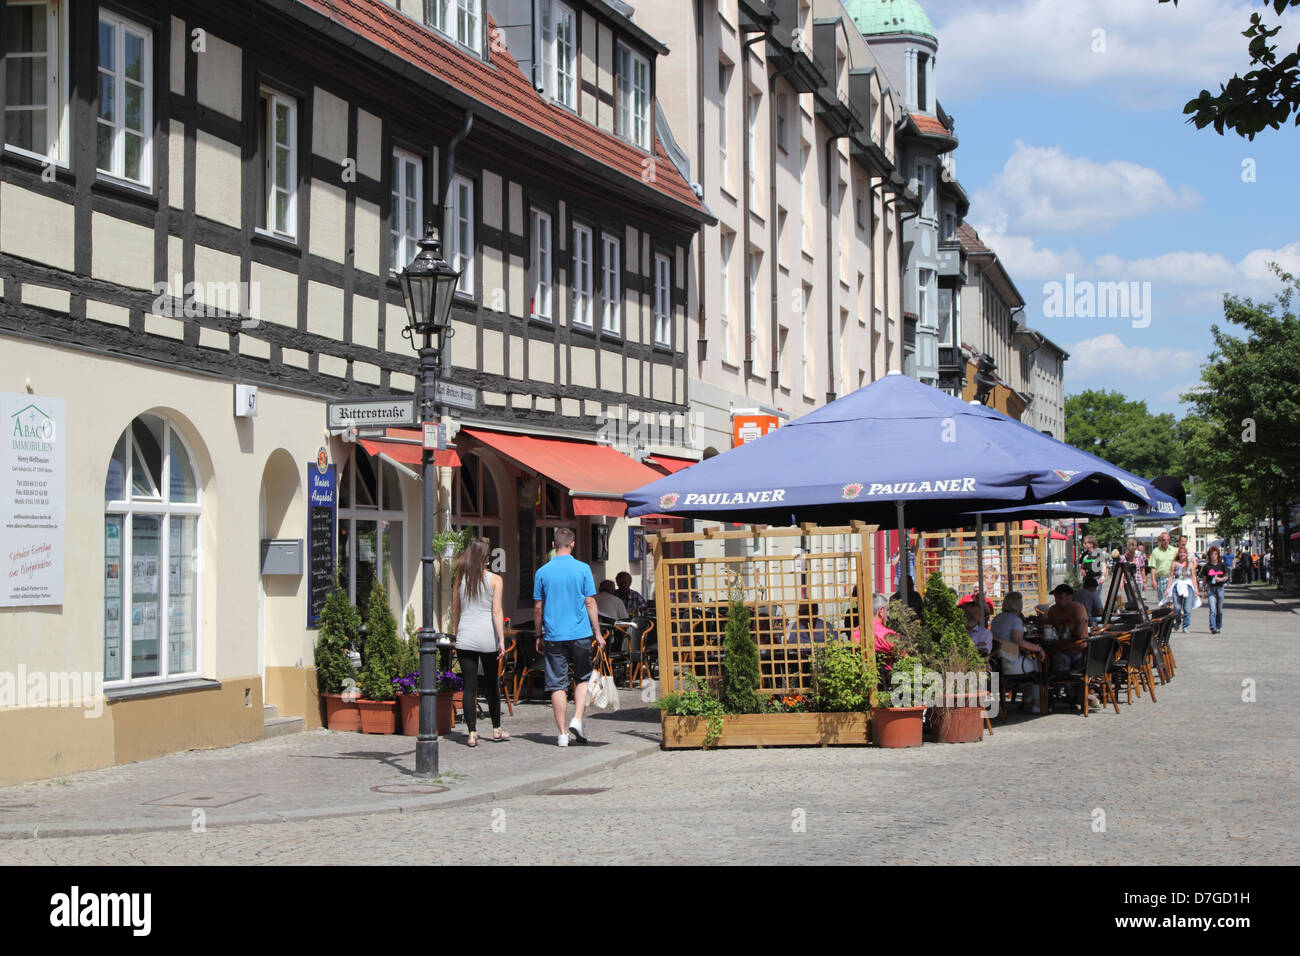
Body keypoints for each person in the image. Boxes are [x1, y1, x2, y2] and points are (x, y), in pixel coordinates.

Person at [533, 527, 605, 747]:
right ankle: (577, 718)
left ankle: (562, 734)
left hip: (554, 634)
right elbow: (590, 602)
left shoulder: (542, 572)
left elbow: (538, 607)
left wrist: (538, 634)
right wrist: (598, 633)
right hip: (580, 633)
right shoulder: (583, 569)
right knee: (583, 678)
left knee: (557, 684)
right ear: (573, 544)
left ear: (553, 545)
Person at [451, 538, 508, 746]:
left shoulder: (461, 579)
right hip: (487, 637)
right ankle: (496, 729)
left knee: (469, 686)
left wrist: (457, 632)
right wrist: (501, 639)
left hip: (465, 637)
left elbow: (455, 610)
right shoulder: (495, 580)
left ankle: (472, 733)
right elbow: (496, 611)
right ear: (485, 558)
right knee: (492, 683)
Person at [990, 591, 1046, 714]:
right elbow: (1019, 642)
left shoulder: (997, 618)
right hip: (1012, 662)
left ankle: (1027, 698)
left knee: (1030, 661)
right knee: (1037, 666)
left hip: (999, 661)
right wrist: (1038, 648)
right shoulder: (1015, 620)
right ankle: (1037, 704)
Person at [1162, 544, 1201, 633]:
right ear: (1178, 554)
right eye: (1181, 553)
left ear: (1186, 554)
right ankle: (1177, 622)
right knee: (1177, 608)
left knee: (1187, 608)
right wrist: (1167, 589)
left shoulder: (1190, 564)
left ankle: (1185, 626)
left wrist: (1196, 589)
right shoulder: (1175, 564)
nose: (1182, 554)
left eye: (1184, 553)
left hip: (1187, 585)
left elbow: (1193, 577)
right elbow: (1171, 576)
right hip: (1177, 585)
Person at [1201, 545, 1228, 635]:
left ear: (1218, 555)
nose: (1213, 556)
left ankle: (1218, 626)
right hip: (1210, 588)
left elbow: (1226, 577)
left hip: (1220, 588)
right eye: (1212, 554)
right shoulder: (1206, 567)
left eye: (1215, 554)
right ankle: (1213, 627)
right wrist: (1203, 590)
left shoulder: (1222, 565)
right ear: (1209, 556)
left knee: (1219, 610)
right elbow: (1204, 580)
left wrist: (1220, 579)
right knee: (1212, 609)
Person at [1149, 532, 1177, 597]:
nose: (1166, 542)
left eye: (1167, 540)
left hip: (1171, 578)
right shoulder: (1155, 551)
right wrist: (1153, 580)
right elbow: (1153, 568)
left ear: (1169, 540)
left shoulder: (1174, 550)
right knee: (1162, 599)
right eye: (1164, 540)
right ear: (1161, 540)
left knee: (1171, 599)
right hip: (1160, 579)